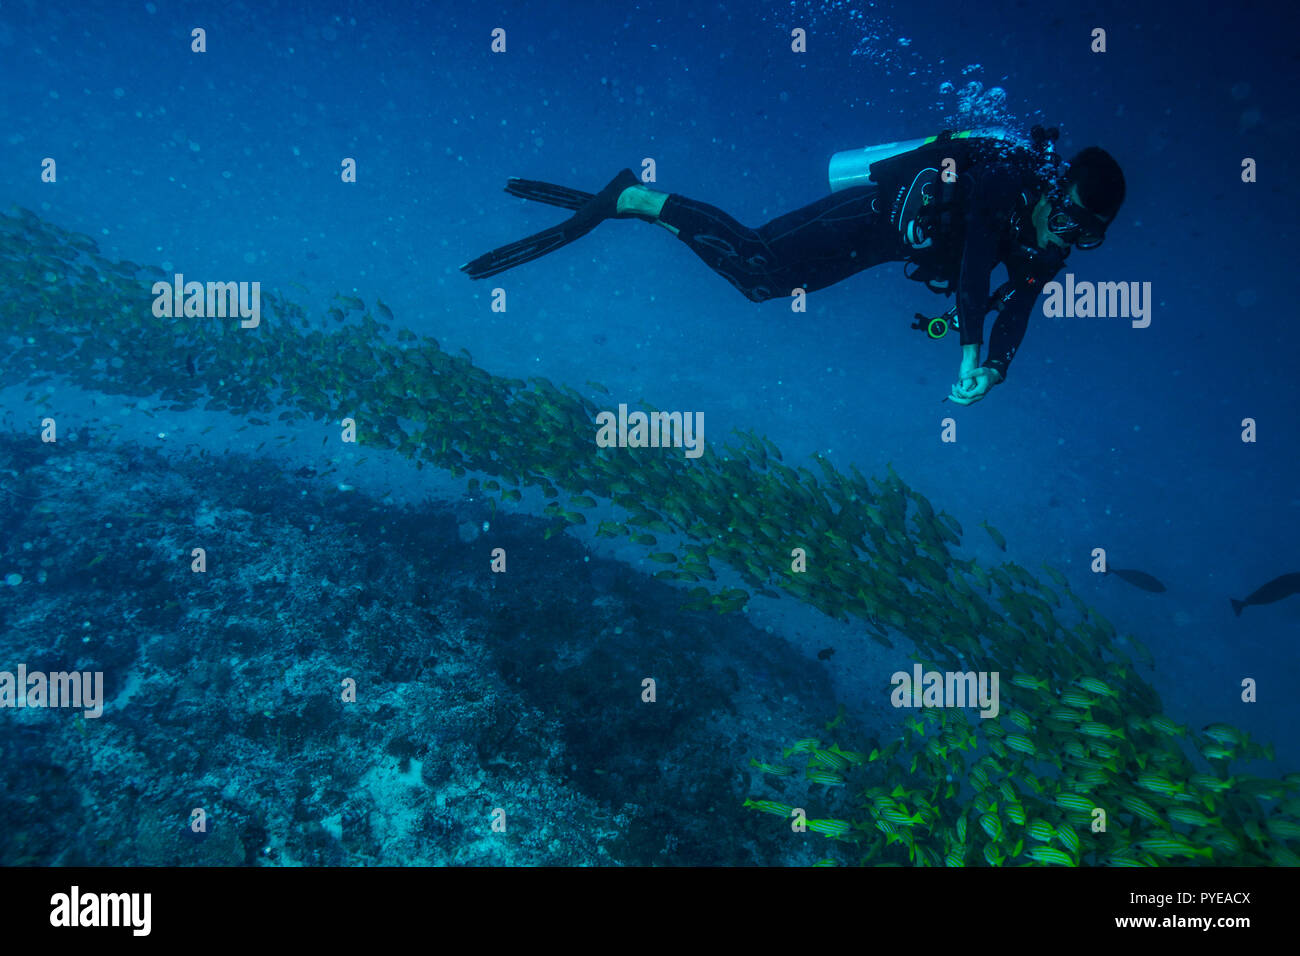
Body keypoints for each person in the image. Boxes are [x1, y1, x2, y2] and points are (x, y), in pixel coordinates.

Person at [461, 127, 1125, 405]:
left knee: (759, 280)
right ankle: (634, 196)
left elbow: (1020, 305)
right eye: (1065, 215)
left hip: (888, 246)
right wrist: (967, 352)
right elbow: (978, 265)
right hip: (872, 213)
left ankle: (639, 206)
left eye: (1083, 235)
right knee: (756, 259)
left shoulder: (1052, 246)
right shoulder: (1009, 180)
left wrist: (998, 367)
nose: (1063, 233)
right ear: (1054, 187)